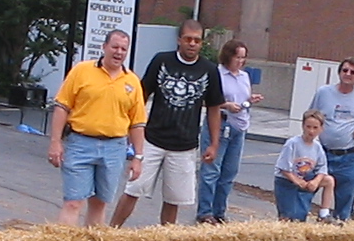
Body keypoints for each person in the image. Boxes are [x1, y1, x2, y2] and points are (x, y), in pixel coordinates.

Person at [111, 20, 225, 228]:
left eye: (197, 40)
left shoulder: (209, 70)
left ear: (202, 43)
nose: (192, 44)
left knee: (174, 199)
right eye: (188, 39)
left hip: (184, 145)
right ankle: (111, 232)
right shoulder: (161, 61)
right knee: (133, 189)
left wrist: (214, 143)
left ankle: (165, 240)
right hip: (152, 139)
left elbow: (214, 108)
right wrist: (132, 129)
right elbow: (142, 95)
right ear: (179, 40)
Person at [48, 29, 148, 227]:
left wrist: (138, 157)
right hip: (80, 142)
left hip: (115, 148)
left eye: (123, 49)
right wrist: (55, 142)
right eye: (115, 47)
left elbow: (137, 123)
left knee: (99, 203)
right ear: (104, 47)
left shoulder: (132, 82)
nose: (119, 52)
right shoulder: (82, 71)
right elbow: (62, 107)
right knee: (73, 202)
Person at [195, 38, 261, 225]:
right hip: (221, 123)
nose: (240, 61)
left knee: (229, 173)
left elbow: (243, 96)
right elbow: (208, 100)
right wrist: (226, 105)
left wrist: (250, 98)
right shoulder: (217, 74)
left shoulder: (244, 76)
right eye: (237, 57)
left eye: (243, 58)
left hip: (239, 127)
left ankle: (219, 211)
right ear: (228, 56)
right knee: (211, 171)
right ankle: (205, 212)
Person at [309, 57, 354, 221]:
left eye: (352, 72)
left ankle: (339, 225)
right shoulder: (323, 93)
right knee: (307, 190)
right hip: (323, 153)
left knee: (344, 203)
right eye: (345, 70)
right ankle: (297, 221)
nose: (347, 74)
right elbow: (311, 116)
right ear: (340, 72)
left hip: (349, 157)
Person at [274, 111, 337, 221]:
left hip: (305, 179)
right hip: (287, 181)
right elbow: (283, 168)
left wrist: (316, 181)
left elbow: (322, 168)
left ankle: (324, 213)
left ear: (321, 129)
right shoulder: (292, 143)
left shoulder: (317, 147)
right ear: (303, 126)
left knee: (329, 180)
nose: (311, 131)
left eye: (315, 128)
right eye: (308, 127)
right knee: (289, 216)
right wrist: (296, 180)